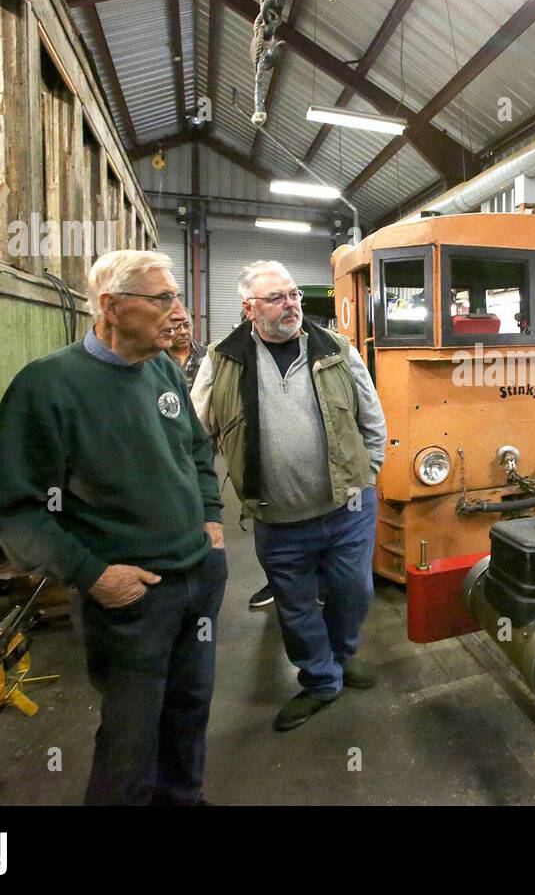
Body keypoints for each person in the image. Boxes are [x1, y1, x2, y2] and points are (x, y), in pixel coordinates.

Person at [0, 250, 227, 805]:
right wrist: (92, 575)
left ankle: (180, 800)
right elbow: (16, 509)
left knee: (189, 709)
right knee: (130, 734)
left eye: (176, 297)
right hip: (132, 599)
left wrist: (212, 520)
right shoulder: (48, 387)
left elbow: (194, 447)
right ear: (113, 307)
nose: (178, 311)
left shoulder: (162, 368)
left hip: (197, 577)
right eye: (163, 298)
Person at [192, 260, 386, 731]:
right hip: (278, 519)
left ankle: (342, 654)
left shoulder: (336, 348)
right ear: (249, 308)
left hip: (349, 509)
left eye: (294, 295)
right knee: (296, 606)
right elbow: (194, 437)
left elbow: (372, 419)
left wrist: (369, 475)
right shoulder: (223, 360)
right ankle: (321, 680)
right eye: (277, 298)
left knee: (353, 591)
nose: (291, 305)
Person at [167, 307, 207, 390]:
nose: (183, 332)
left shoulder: (207, 357)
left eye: (186, 326)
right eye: (176, 327)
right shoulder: (156, 360)